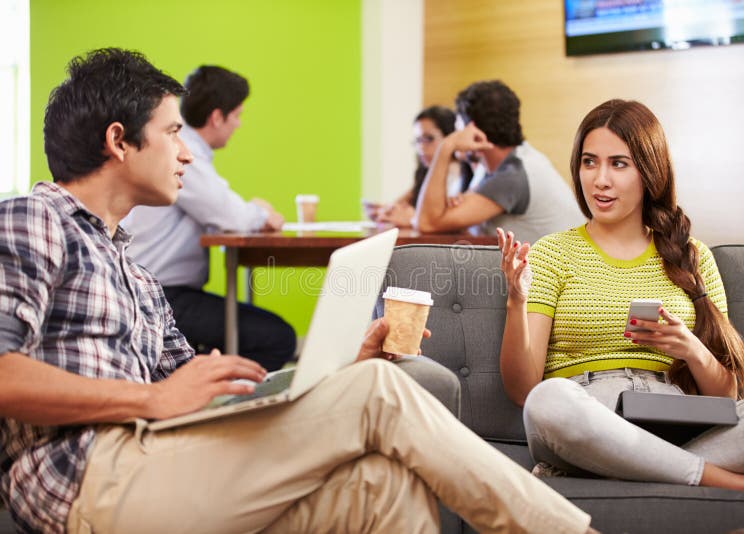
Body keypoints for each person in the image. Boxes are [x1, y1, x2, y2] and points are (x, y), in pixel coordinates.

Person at [0, 48, 596, 534]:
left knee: (381, 485)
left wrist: (334, 373)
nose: (185, 153)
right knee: (381, 390)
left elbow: (219, 399)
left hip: (162, 454)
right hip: (85, 477)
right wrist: (151, 401)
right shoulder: (36, 218)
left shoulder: (138, 275)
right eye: (171, 133)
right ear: (118, 141)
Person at [497, 98, 744, 495]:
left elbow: (728, 396)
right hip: (586, 417)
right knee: (547, 401)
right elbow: (524, 390)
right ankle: (736, 485)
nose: (600, 180)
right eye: (590, 162)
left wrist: (692, 350)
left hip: (682, 429)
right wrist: (517, 301)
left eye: (618, 164)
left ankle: (615, 470)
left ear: (649, 172)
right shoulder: (553, 252)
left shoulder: (693, 256)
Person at [122, 65, 295, 371]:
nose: (239, 124)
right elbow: (232, 216)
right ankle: (219, 400)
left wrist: (249, 211)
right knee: (278, 337)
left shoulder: (188, 153)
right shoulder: (185, 153)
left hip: (164, 290)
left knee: (260, 331)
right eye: (237, 115)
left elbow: (221, 208)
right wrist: (262, 213)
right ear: (217, 117)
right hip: (160, 295)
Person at [415, 80, 584, 241]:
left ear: (472, 129)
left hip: (566, 270)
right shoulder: (511, 161)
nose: (455, 134)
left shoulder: (514, 174)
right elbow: (445, 220)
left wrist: (446, 146)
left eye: (457, 128)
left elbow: (426, 222)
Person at [370, 105, 472, 228]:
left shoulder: (466, 174)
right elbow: (400, 204)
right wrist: (385, 211)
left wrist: (414, 218)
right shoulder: (425, 174)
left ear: (451, 136)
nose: (421, 147)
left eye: (429, 138)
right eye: (418, 140)